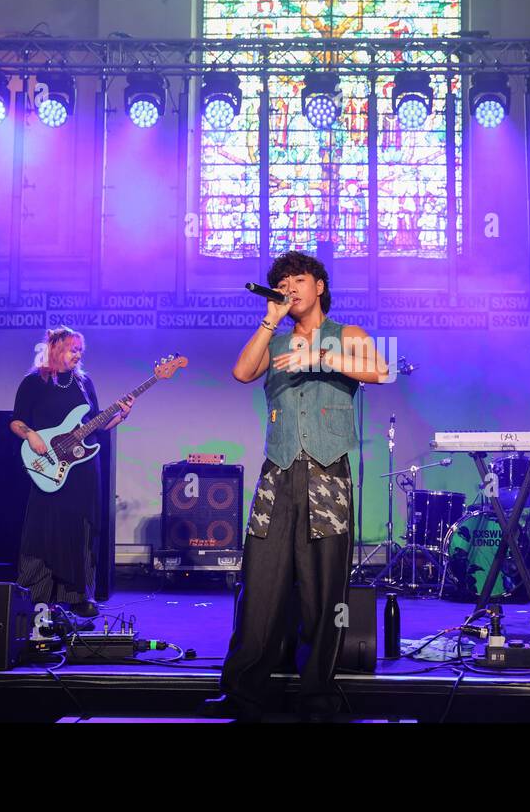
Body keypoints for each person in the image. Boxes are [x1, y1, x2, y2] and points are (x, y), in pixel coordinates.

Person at [206, 250, 389, 722]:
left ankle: (316, 692)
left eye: (299, 279)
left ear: (320, 286)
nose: (290, 286)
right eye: (283, 281)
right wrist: (270, 320)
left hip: (328, 474)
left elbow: (380, 371)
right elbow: (242, 372)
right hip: (278, 472)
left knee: (325, 591)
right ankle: (244, 687)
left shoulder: (348, 335)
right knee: (260, 583)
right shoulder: (276, 338)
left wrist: (321, 356)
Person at [9, 327, 131, 618]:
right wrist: (32, 436)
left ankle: (79, 596)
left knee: (83, 530)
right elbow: (16, 422)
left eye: (80, 351)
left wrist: (122, 415)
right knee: (43, 530)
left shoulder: (83, 383)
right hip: (49, 466)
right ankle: (35, 594)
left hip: (83, 470)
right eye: (73, 349)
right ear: (54, 347)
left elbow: (97, 424)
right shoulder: (33, 382)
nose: (78, 355)